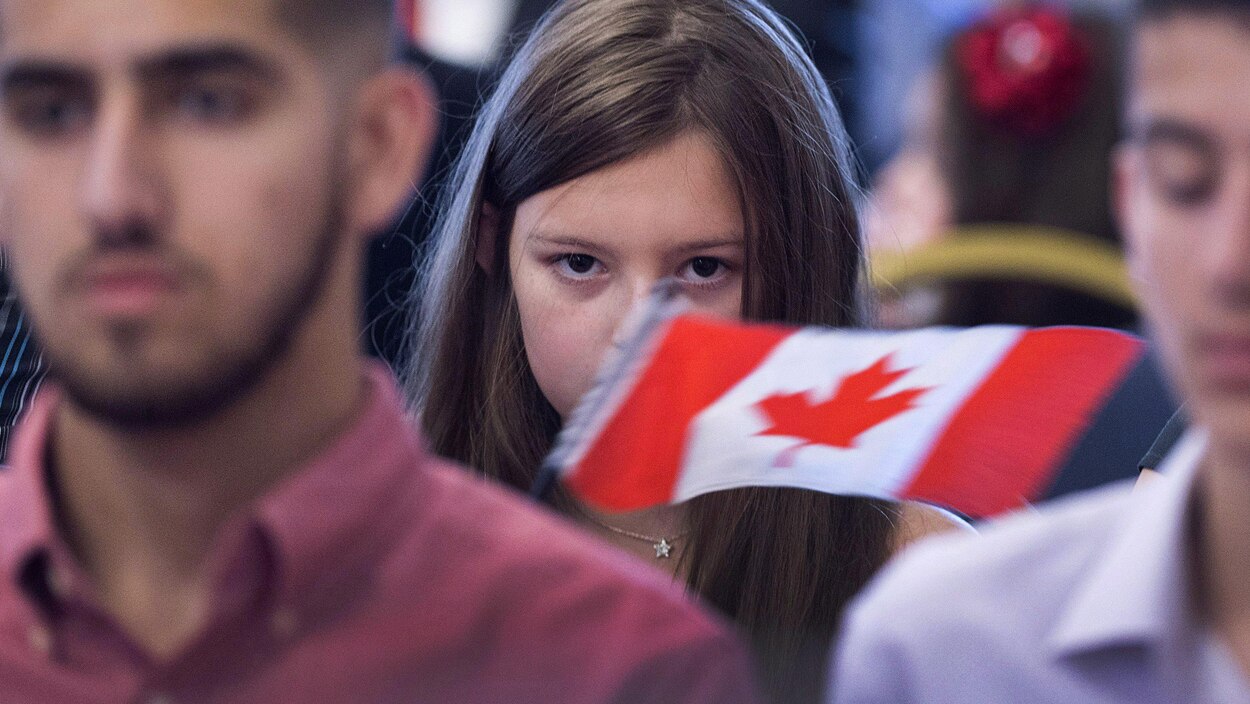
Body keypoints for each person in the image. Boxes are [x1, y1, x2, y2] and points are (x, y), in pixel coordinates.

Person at [0, 1, 765, 702]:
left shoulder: (625, 662)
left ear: (378, 146)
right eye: (50, 111)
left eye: (209, 103)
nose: (111, 194)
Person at [405, 1, 964, 702]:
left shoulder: (920, 581)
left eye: (703, 269)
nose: (642, 335)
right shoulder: (387, 541)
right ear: (494, 249)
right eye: (579, 264)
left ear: (800, 267)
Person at [830, 1, 1250, 702]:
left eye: (926, 150)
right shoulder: (943, 639)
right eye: (1182, 178)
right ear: (1127, 196)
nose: (1229, 262)